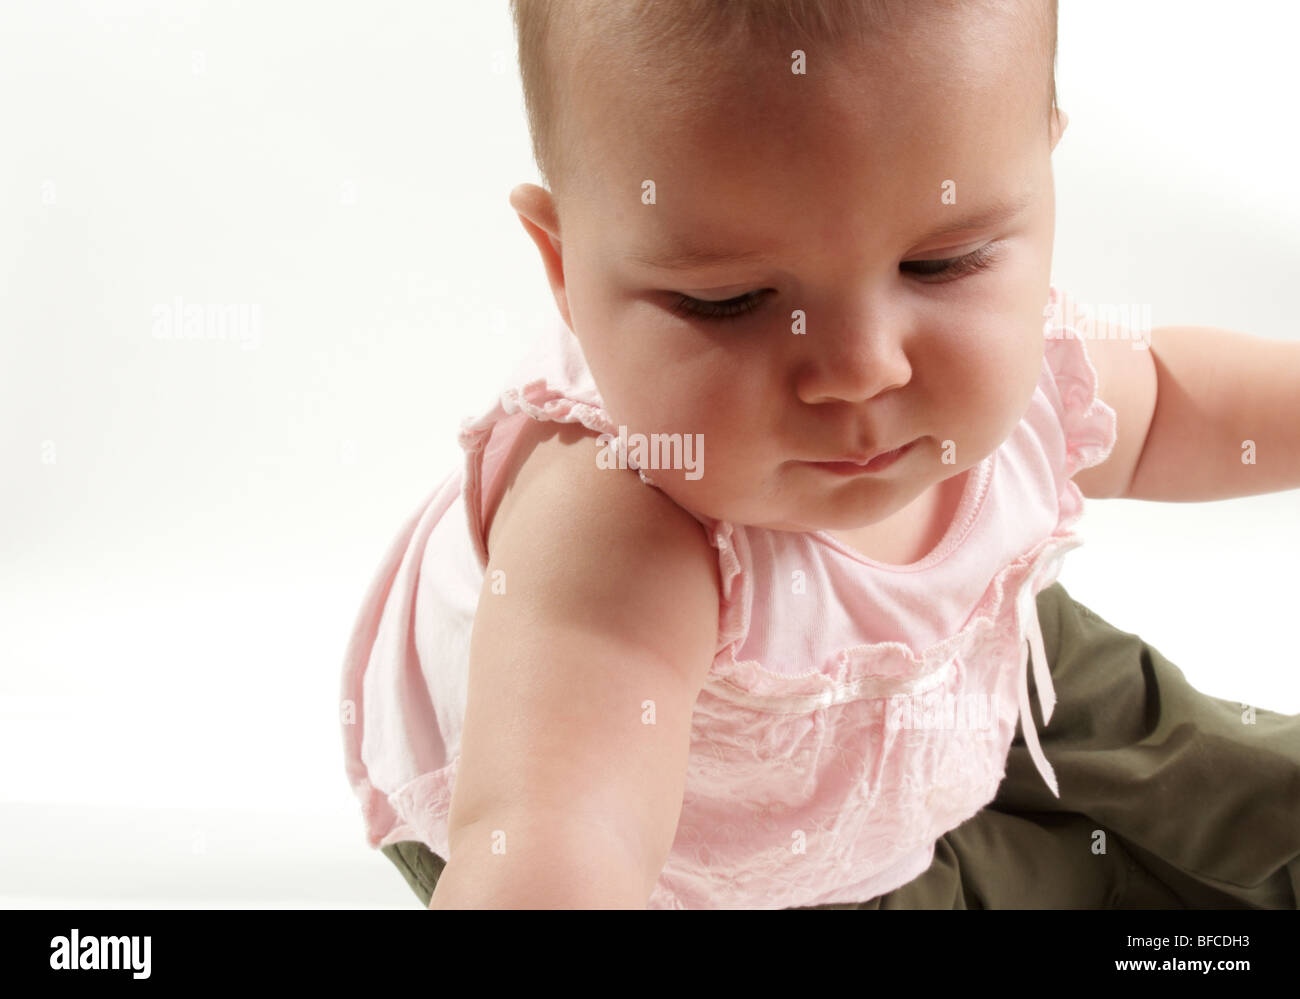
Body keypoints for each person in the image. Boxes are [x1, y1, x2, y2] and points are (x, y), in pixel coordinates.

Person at [340, 0, 1300, 909]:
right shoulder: (619, 523)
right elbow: (559, 832)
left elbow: (1175, 405)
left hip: (953, 658)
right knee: (1012, 888)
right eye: (728, 301)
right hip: (713, 843)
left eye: (943, 263)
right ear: (565, 265)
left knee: (1163, 736)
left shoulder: (1032, 373)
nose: (859, 369)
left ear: (1040, 169)